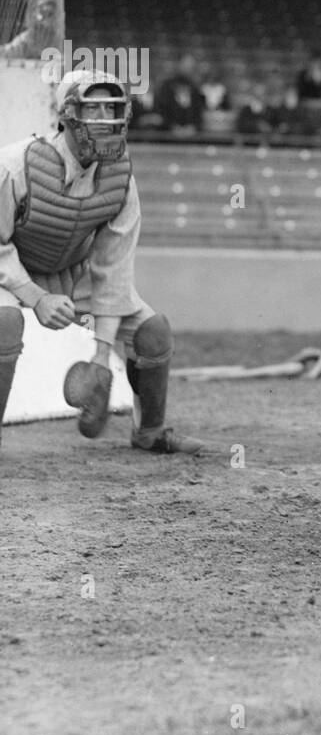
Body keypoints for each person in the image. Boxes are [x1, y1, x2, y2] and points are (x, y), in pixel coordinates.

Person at [0, 71, 202, 456]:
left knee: (152, 332)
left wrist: (100, 354)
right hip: (11, 270)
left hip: (75, 271)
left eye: (111, 106)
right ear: (67, 114)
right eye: (93, 107)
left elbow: (113, 267)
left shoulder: (119, 177)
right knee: (3, 323)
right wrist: (35, 296)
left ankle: (150, 432)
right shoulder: (14, 165)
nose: (105, 116)